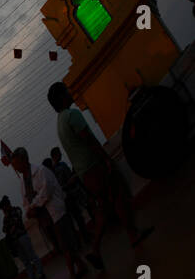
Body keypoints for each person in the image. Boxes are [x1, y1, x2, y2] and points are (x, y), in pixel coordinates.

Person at [48, 82, 152, 259]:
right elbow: (89, 139)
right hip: (94, 166)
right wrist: (106, 159)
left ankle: (96, 249)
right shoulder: (73, 115)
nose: (70, 93)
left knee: (104, 208)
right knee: (118, 196)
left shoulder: (60, 123)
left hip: (84, 173)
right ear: (61, 97)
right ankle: (133, 235)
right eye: (66, 91)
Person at [11, 147, 87, 279]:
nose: (15, 167)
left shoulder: (40, 171)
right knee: (60, 247)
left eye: (16, 163)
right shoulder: (23, 182)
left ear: (24, 160)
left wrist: (33, 206)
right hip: (45, 220)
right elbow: (25, 202)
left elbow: (46, 192)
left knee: (65, 245)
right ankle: (81, 264)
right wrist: (28, 210)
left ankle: (72, 275)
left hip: (56, 214)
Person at [0, 195, 45, 279]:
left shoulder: (17, 210)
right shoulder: (6, 217)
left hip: (22, 237)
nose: (4, 211)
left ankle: (41, 273)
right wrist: (9, 224)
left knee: (32, 256)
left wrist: (10, 226)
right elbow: (4, 229)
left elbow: (14, 224)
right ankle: (32, 278)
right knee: (25, 261)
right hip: (16, 241)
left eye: (4, 209)